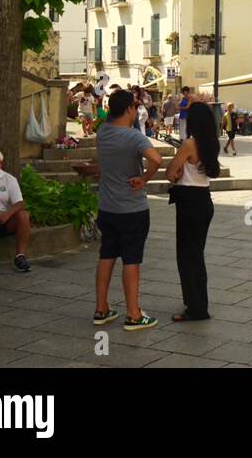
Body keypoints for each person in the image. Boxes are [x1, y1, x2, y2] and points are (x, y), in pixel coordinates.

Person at [93, 89, 163, 331]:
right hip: (132, 208)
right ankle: (133, 314)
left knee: (106, 256)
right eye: (135, 107)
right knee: (131, 259)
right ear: (129, 110)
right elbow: (156, 159)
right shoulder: (134, 137)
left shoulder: (102, 132)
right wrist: (144, 179)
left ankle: (101, 308)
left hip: (107, 206)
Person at [164, 102, 220, 322]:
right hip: (204, 199)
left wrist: (176, 172)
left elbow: (170, 172)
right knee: (196, 255)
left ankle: (196, 307)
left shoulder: (189, 144)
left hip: (188, 201)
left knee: (186, 255)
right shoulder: (212, 143)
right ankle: (198, 301)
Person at [0, 148, 32, 273]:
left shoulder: (9, 179)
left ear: (0, 163)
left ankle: (20, 256)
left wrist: (7, 214)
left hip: (2, 220)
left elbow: (19, 203)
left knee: (23, 216)